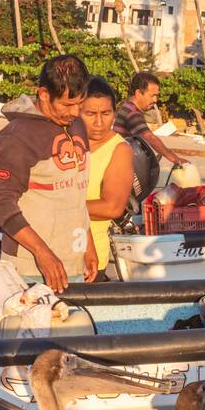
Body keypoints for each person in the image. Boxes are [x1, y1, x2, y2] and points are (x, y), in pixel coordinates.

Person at [0, 54, 97, 292]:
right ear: (44, 94)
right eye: (67, 105)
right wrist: (42, 252)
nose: (75, 112)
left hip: (73, 260)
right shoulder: (16, 136)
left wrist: (89, 244)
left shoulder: (75, 125)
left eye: (80, 103)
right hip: (30, 268)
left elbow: (76, 191)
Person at [83, 77, 133, 280]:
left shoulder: (119, 149)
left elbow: (112, 208)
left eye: (105, 113)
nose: (98, 122)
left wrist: (59, 205)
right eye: (90, 114)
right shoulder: (65, 140)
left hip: (92, 256)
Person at [114, 71, 188, 168]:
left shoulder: (127, 106)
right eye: (152, 95)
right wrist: (175, 158)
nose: (155, 100)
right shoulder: (133, 113)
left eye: (156, 95)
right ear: (138, 93)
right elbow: (149, 137)